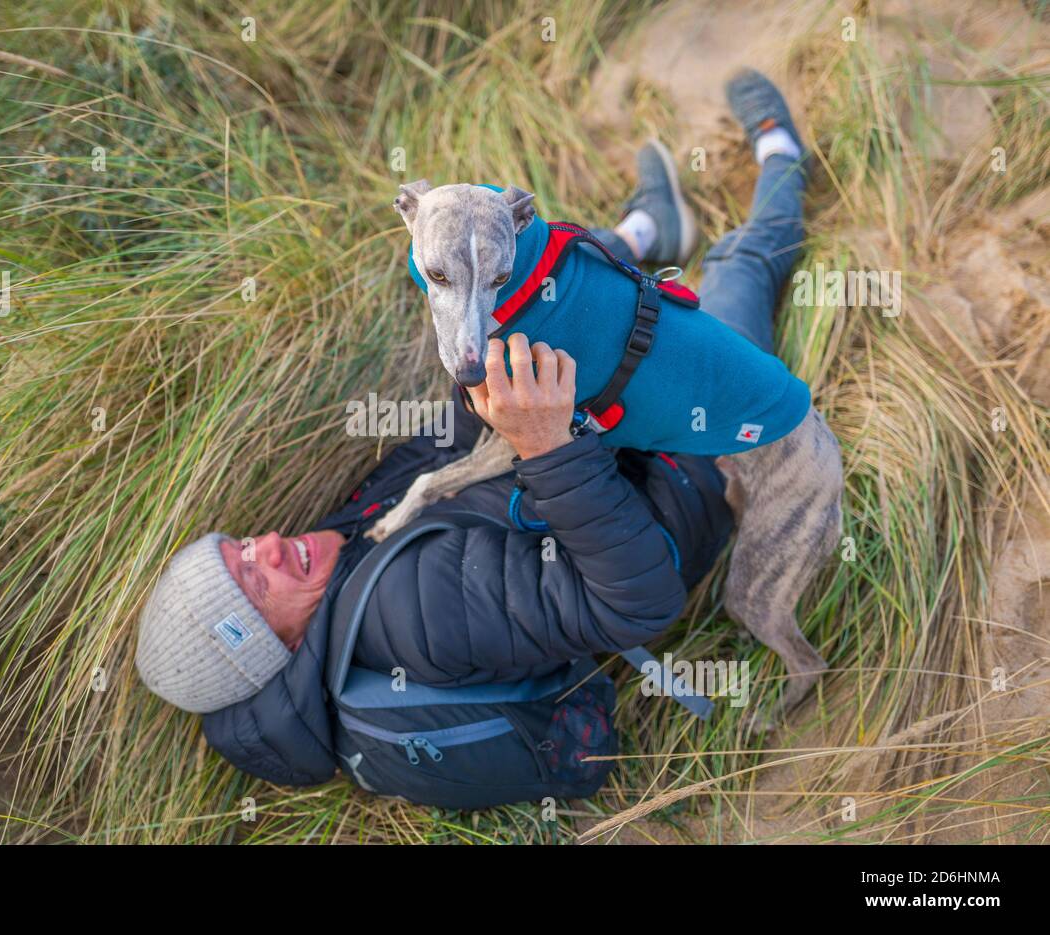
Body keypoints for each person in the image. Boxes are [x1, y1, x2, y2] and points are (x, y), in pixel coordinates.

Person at [135, 69, 806, 799]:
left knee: (533, 293)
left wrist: (498, 388)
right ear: (278, 645)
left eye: (239, 549)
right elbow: (637, 602)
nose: (265, 548)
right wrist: (550, 446)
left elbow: (450, 449)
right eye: (254, 585)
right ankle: (783, 153)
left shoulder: (344, 545)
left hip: (598, 434)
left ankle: (647, 228)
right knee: (737, 270)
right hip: (680, 472)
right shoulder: (410, 612)